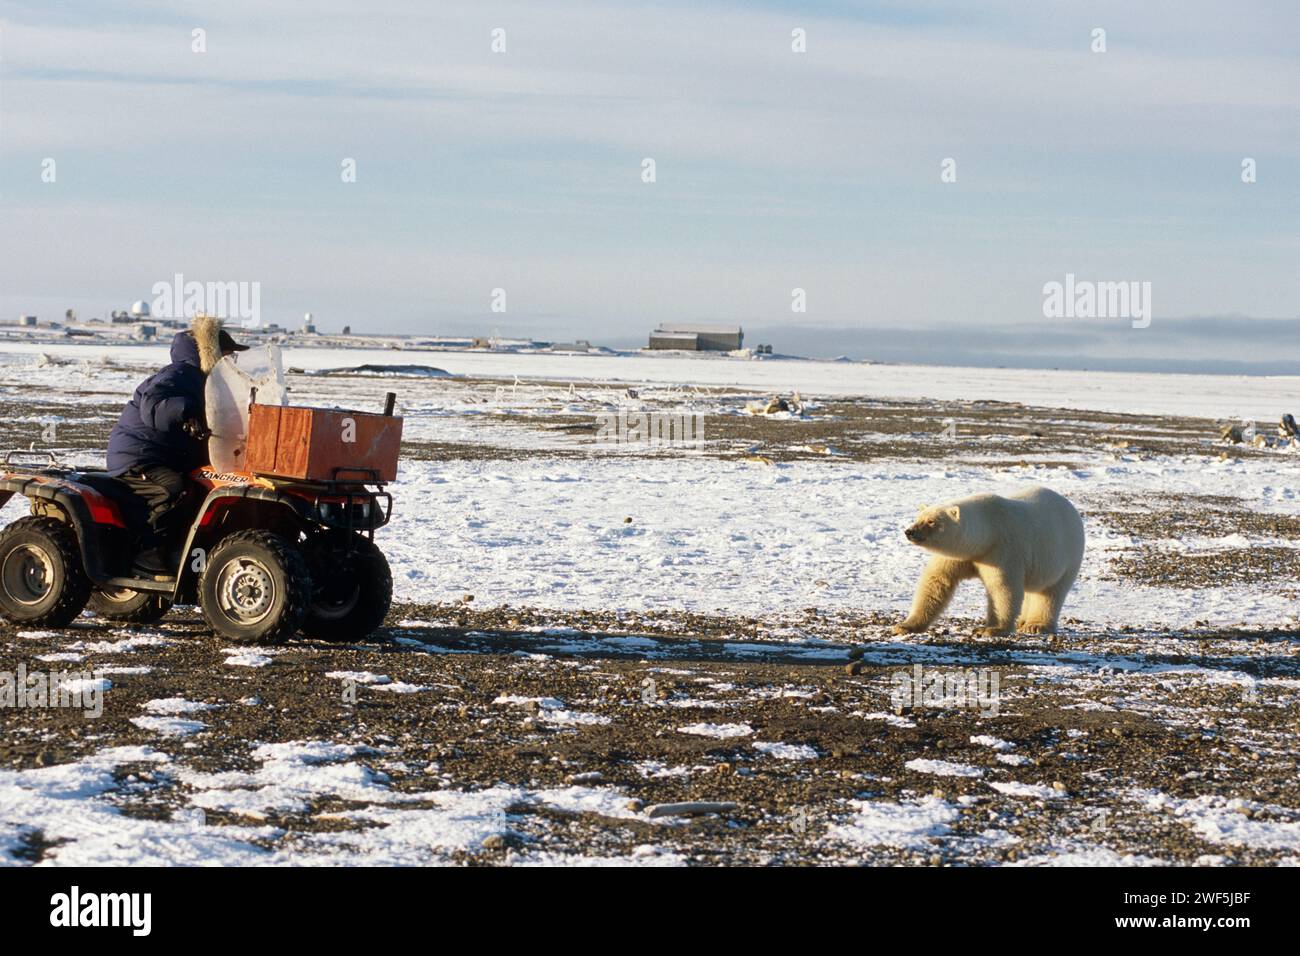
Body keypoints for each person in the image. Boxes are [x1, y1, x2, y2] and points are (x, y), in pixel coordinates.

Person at [106, 316, 248, 573]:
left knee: (210, 487)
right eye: (228, 355)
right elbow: (154, 405)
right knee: (175, 488)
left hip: (173, 455)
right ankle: (148, 553)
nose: (231, 361)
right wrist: (186, 412)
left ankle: (193, 551)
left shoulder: (214, 384)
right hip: (142, 455)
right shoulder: (181, 374)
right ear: (211, 353)